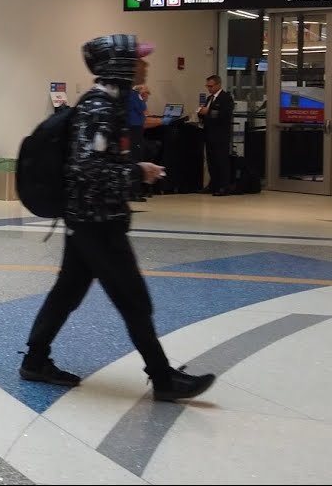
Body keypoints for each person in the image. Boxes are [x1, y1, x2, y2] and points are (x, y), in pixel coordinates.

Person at [20, 34, 216, 403]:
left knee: (67, 294)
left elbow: (94, 165)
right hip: (97, 222)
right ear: (121, 65)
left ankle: (34, 360)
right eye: (139, 59)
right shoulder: (99, 107)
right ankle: (162, 377)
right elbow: (87, 170)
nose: (145, 65)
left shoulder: (107, 103)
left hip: (88, 219)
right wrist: (136, 173)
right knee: (133, 299)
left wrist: (133, 169)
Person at [198, 75, 235, 196]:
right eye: (207, 86)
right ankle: (213, 184)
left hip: (221, 135)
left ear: (218, 85)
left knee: (221, 161)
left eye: (211, 86)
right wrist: (201, 113)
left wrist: (208, 112)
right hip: (209, 134)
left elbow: (224, 115)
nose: (209, 88)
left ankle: (224, 186)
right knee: (211, 161)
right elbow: (207, 115)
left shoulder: (226, 98)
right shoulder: (209, 98)